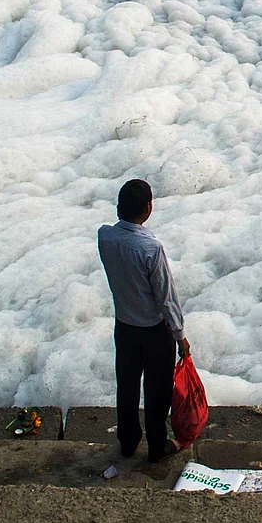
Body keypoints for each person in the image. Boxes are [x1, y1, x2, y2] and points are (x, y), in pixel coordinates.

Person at [98, 179, 191, 462]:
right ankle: (156, 445)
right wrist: (180, 336)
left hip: (124, 326)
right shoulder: (151, 248)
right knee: (157, 390)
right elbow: (166, 298)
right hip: (153, 331)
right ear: (148, 207)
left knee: (126, 385)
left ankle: (127, 441)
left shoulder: (104, 237)